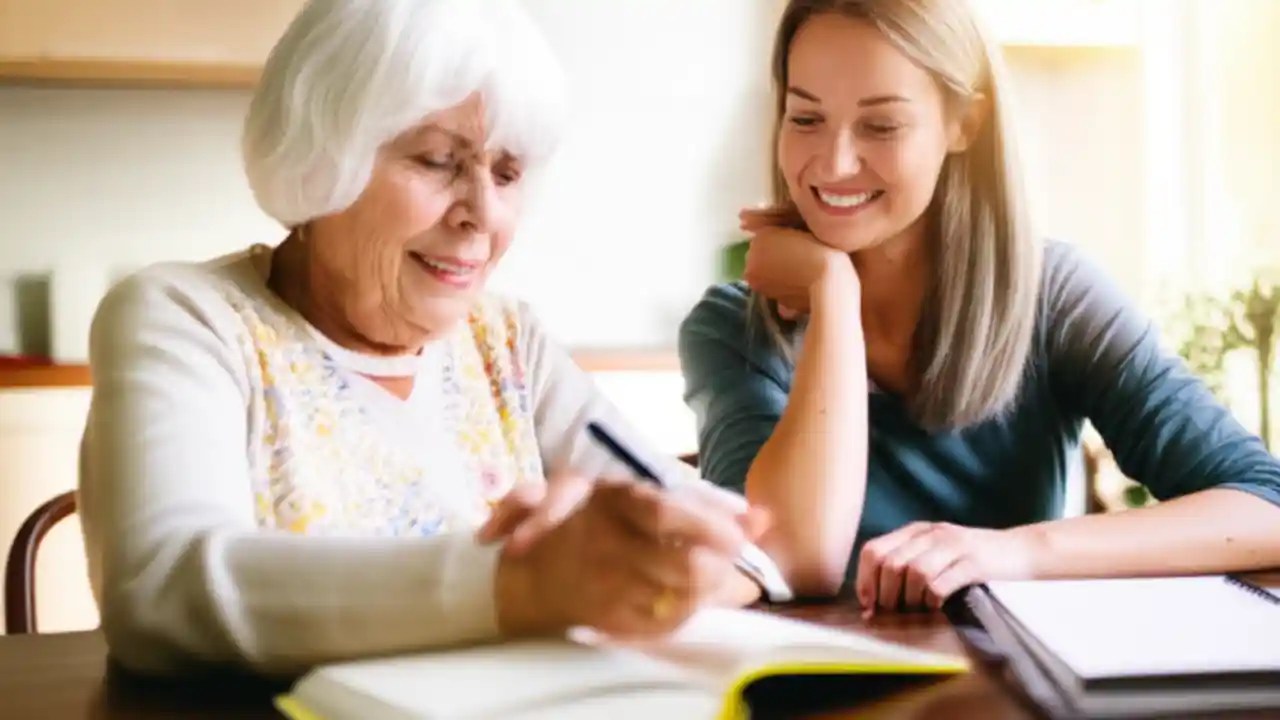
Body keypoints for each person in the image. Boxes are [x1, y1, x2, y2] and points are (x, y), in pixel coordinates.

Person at [80, 0, 763, 676]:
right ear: (324, 158)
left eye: (507, 172)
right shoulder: (189, 320)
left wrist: (681, 559)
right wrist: (518, 583)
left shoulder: (507, 342)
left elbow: (718, 536)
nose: (485, 215)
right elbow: (162, 590)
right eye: (438, 160)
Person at [679, 0, 1280, 614]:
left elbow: (1266, 504)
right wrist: (833, 291)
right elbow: (793, 557)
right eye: (806, 118)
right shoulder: (732, 329)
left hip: (1015, 693)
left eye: (881, 126)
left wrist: (1015, 554)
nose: (833, 163)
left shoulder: (1054, 296)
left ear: (964, 122)